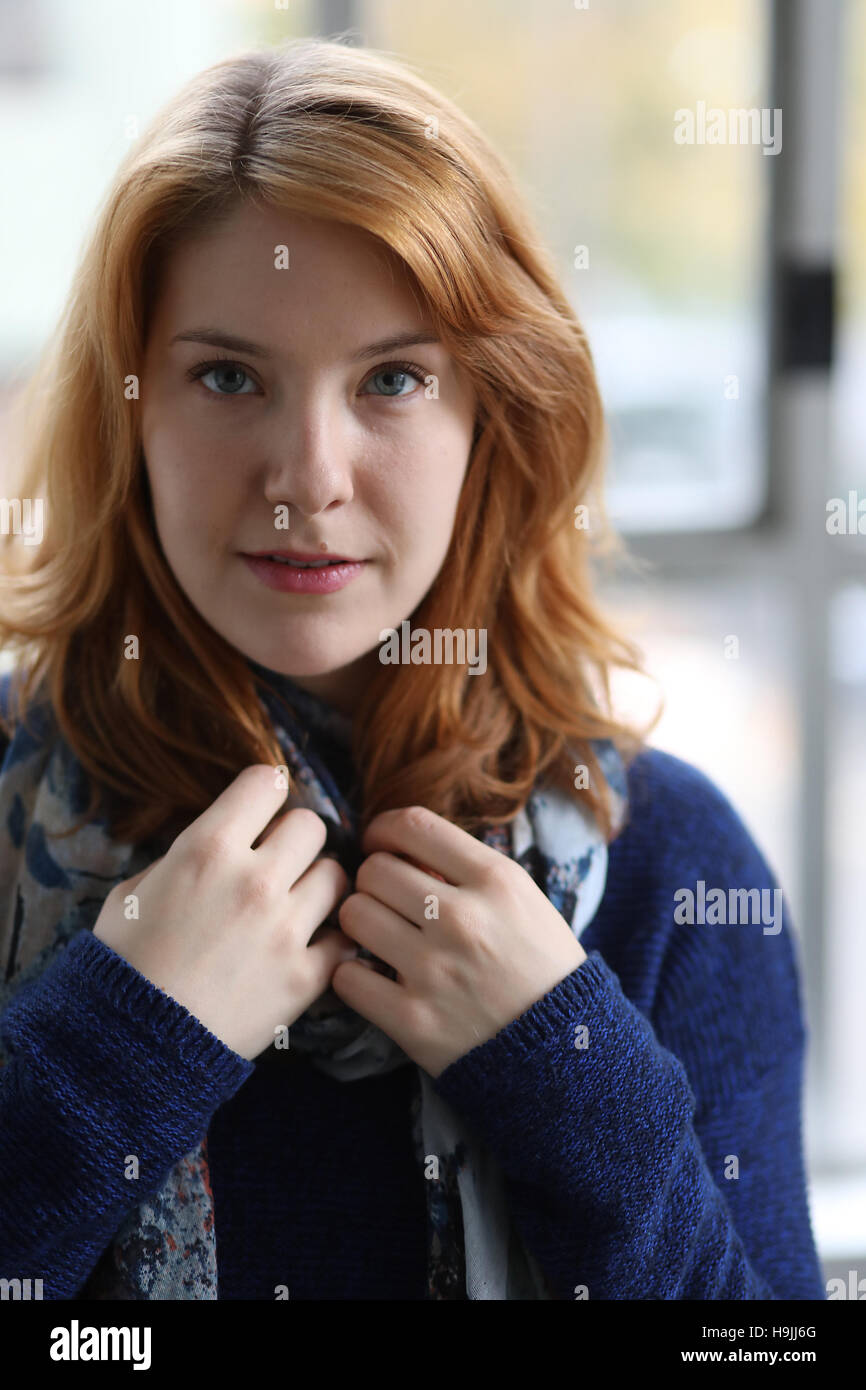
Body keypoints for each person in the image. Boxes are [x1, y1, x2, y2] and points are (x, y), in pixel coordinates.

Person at [0, 36, 824, 1301]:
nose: (307, 476)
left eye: (391, 378)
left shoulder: (672, 865)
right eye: (227, 375)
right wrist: (114, 1048)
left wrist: (570, 1069)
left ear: (489, 416)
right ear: (131, 414)